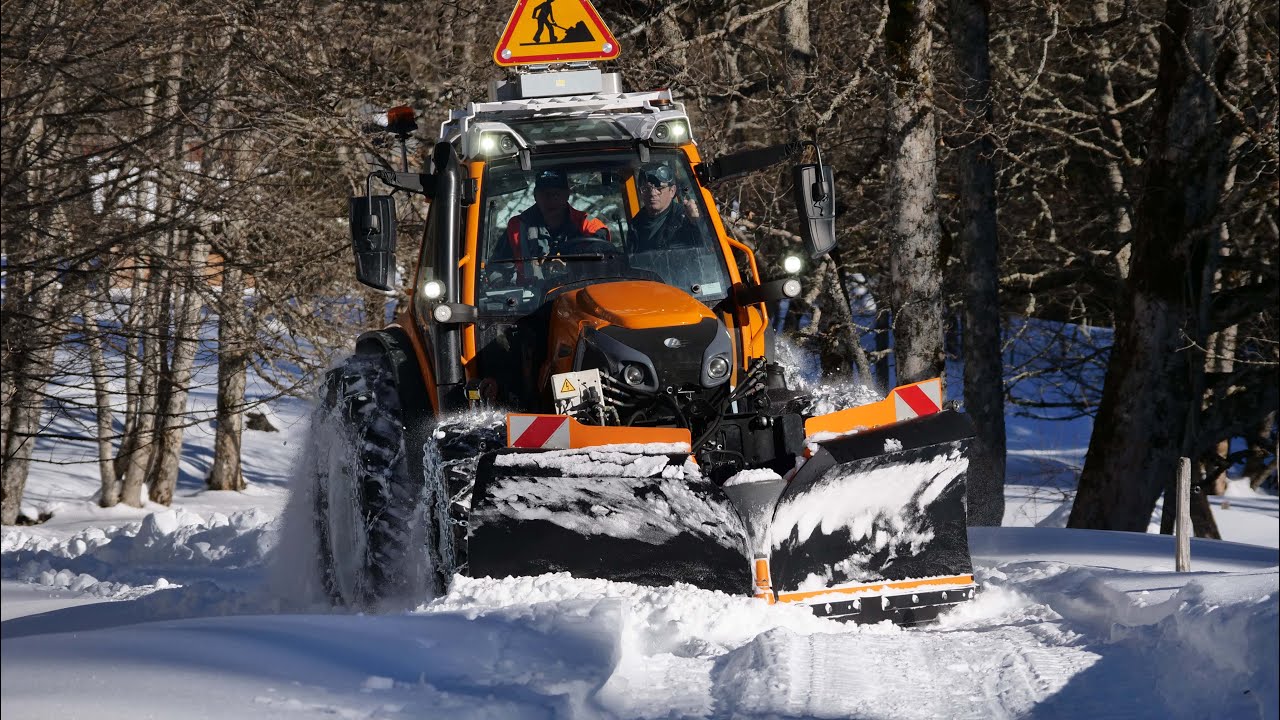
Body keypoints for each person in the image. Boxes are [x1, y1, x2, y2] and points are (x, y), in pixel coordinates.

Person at [497, 169, 609, 263]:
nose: (551, 200)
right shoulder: (517, 226)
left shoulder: (587, 222)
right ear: (535, 195)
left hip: (579, 287)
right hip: (530, 289)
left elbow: (603, 256)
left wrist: (571, 263)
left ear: (567, 194)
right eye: (545, 194)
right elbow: (497, 270)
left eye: (556, 194)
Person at [628, 161, 706, 252]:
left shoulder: (686, 219)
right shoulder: (635, 225)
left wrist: (696, 222)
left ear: (672, 191)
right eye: (646, 189)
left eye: (659, 189)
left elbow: (708, 248)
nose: (652, 193)